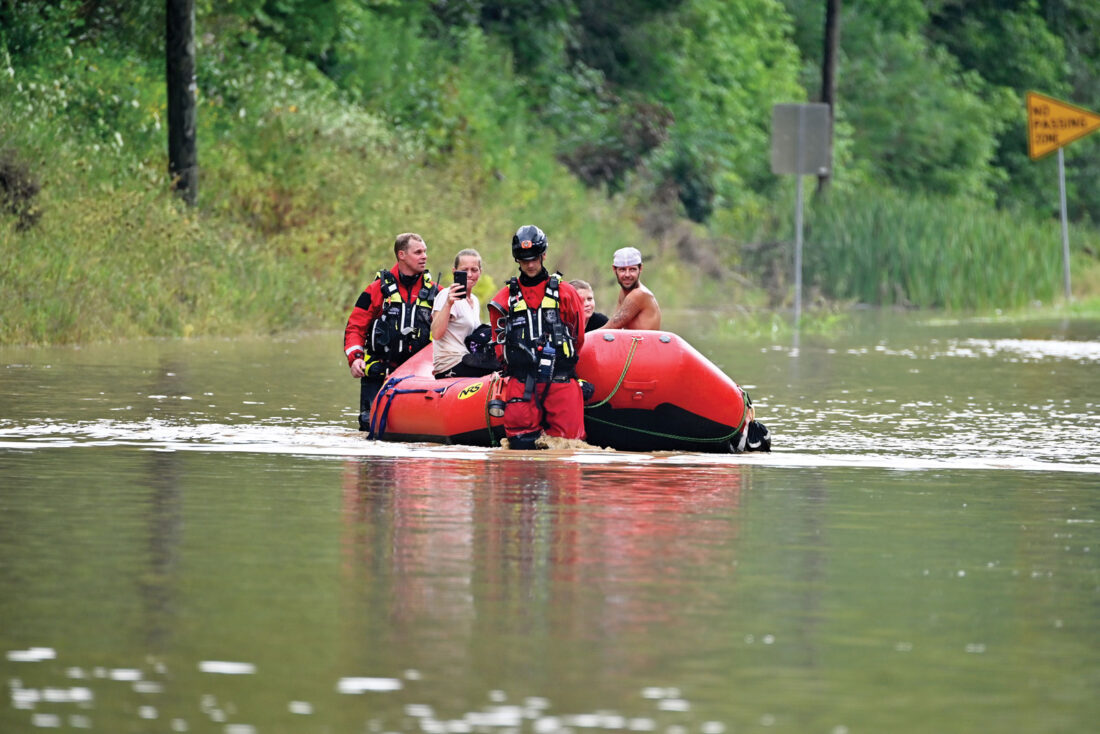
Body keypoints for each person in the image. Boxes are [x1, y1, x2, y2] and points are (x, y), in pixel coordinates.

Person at [488, 225, 587, 450]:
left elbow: (578, 338)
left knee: (567, 450)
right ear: (517, 260)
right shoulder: (503, 300)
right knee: (519, 453)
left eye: (534, 258)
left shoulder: (567, 294)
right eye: (524, 260)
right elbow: (499, 347)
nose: (530, 265)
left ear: (543, 255)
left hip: (561, 381)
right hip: (521, 384)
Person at [343, 232, 437, 431]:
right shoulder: (376, 289)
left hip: (419, 376)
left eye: (425, 251)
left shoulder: (436, 292)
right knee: (371, 428)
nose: (424, 256)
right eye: (418, 252)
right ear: (401, 255)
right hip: (380, 372)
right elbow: (355, 327)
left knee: (417, 430)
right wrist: (355, 358)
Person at [431, 248, 498, 378]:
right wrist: (448, 304)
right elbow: (436, 333)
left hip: (468, 358)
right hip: (449, 364)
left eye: (474, 270)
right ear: (454, 272)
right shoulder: (446, 294)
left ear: (480, 272)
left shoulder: (474, 300)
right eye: (464, 270)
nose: (469, 274)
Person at [597, 246, 661, 330]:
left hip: (645, 343)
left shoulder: (640, 294)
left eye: (632, 269)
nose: (627, 275)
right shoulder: (623, 293)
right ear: (614, 269)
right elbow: (615, 329)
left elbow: (611, 328)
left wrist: (584, 338)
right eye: (622, 270)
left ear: (640, 268)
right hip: (631, 342)